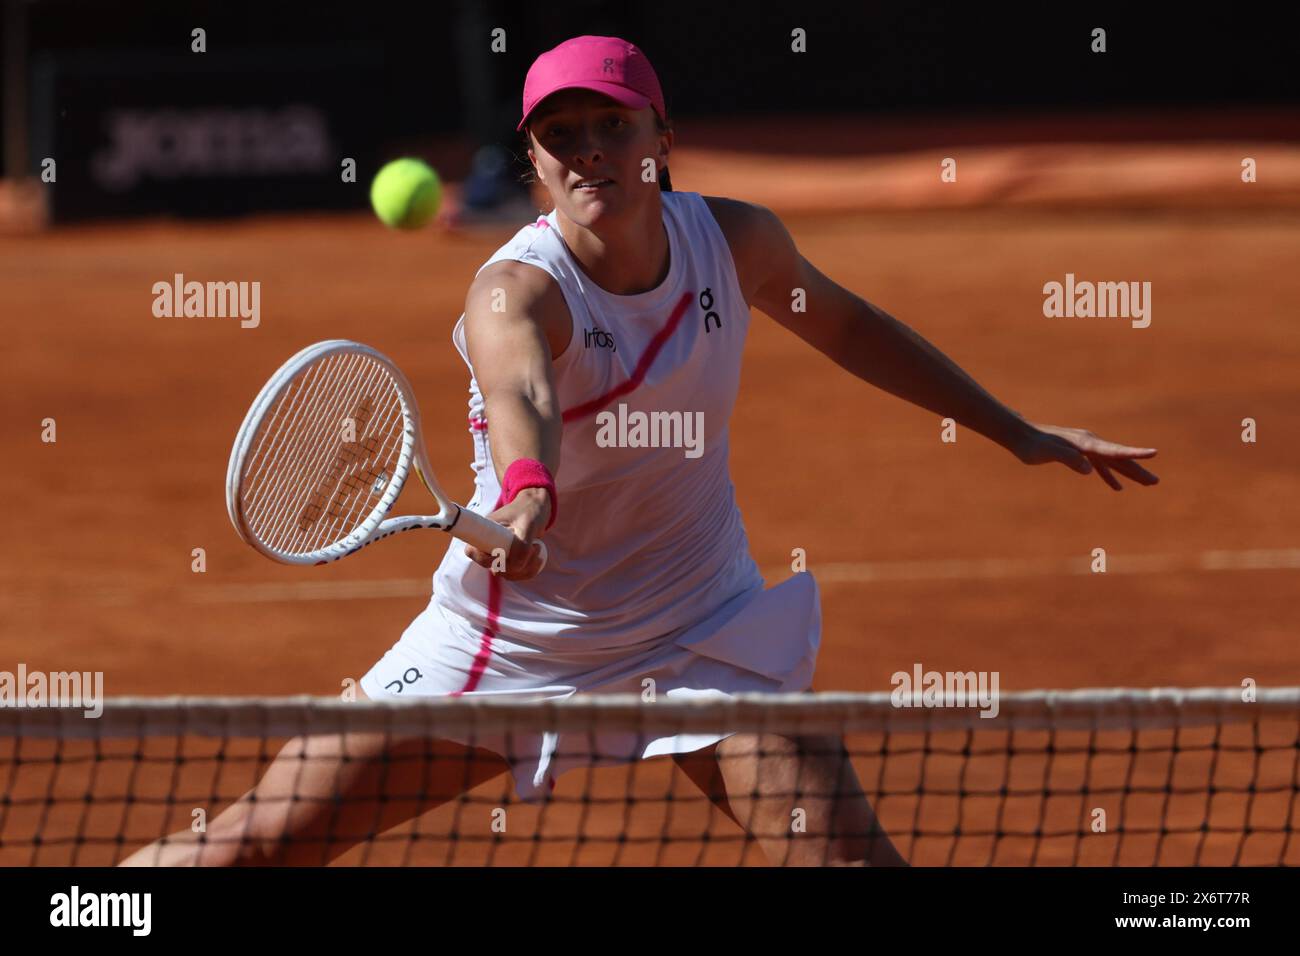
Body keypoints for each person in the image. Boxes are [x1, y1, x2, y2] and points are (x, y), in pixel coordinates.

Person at [122, 35, 1157, 868]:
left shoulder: (737, 242)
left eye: (609, 124)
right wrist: (526, 493)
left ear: (660, 135)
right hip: (507, 644)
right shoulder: (512, 290)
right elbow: (518, 388)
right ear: (529, 161)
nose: (586, 150)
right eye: (558, 133)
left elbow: (848, 326)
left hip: (700, 623)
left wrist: (1014, 428)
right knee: (253, 842)